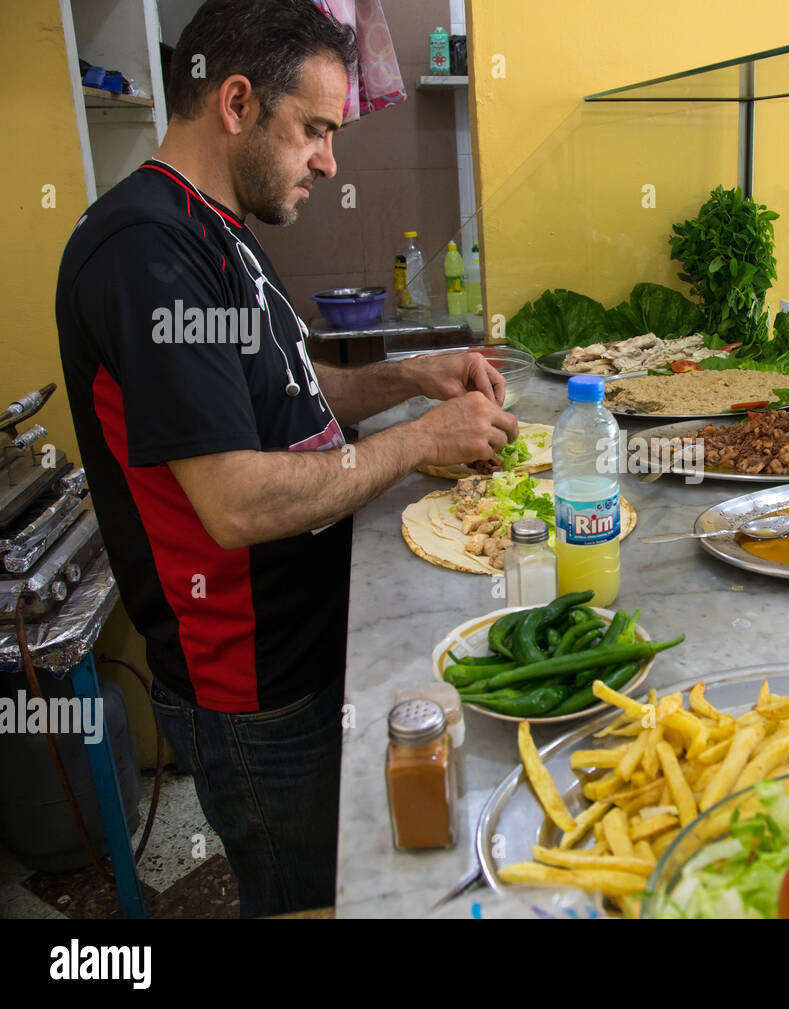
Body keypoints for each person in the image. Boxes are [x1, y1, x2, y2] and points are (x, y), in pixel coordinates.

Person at [54, 0, 517, 917]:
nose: (328, 160)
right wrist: (422, 440)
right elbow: (235, 498)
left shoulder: (219, 231)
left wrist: (410, 377)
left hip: (310, 641)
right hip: (250, 683)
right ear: (236, 103)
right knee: (307, 896)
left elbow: (296, 397)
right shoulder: (146, 251)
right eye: (314, 130)